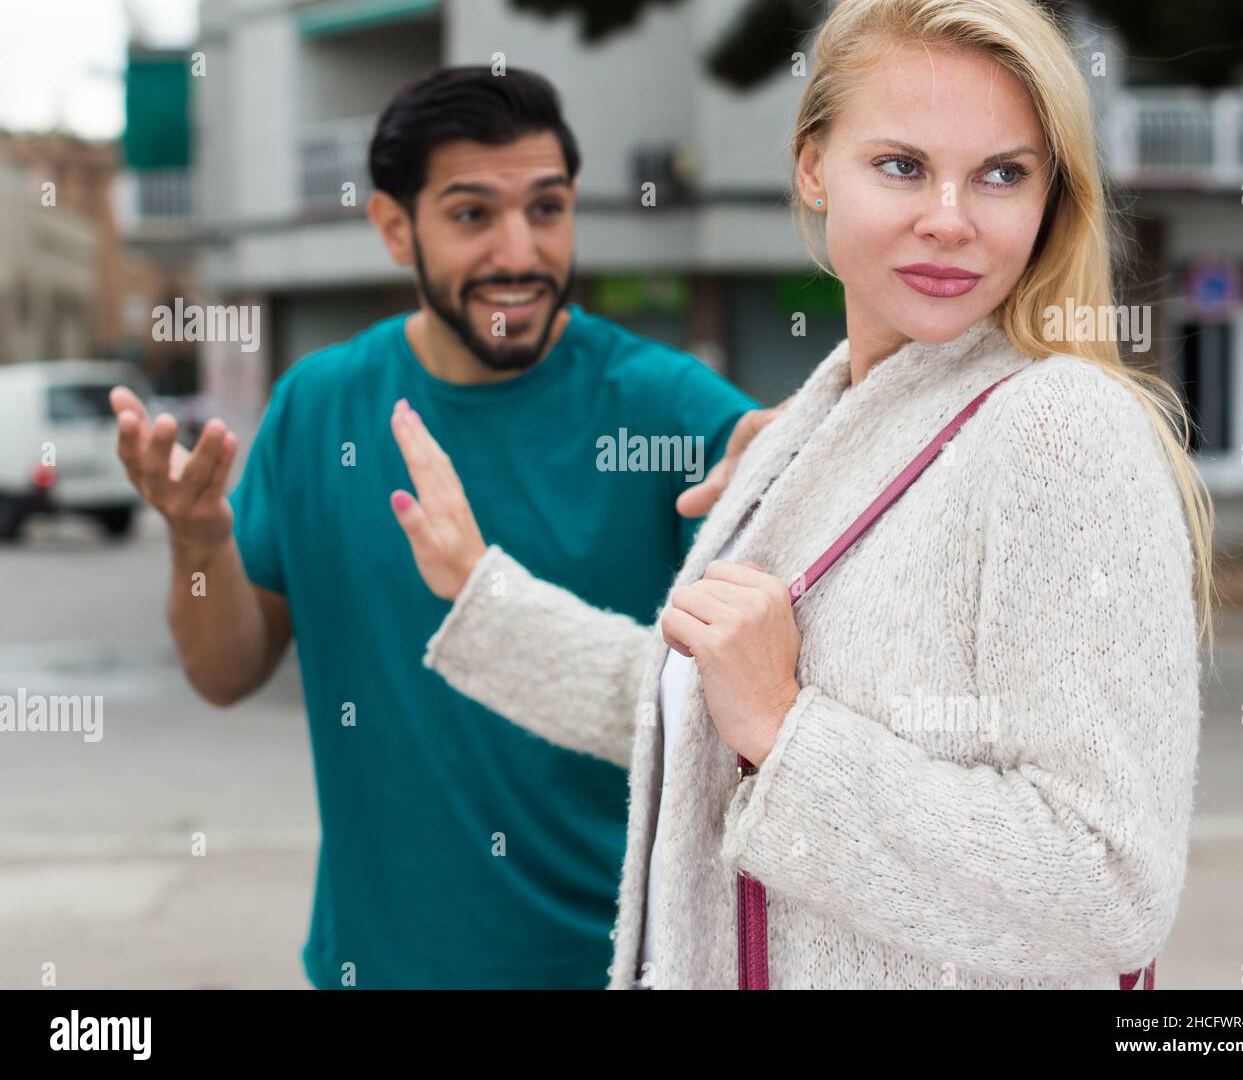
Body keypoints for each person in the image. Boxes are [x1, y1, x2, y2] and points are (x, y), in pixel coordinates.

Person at [393, 0, 1213, 989]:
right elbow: (698, 719)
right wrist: (485, 596)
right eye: (902, 166)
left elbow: (1105, 891)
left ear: (1050, 198)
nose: (950, 220)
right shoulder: (817, 420)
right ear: (812, 169)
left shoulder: (1060, 430)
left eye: (1002, 173)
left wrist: (786, 732)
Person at [109, 66, 778, 988]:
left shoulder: (664, 407)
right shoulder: (318, 406)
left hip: (620, 967)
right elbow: (227, 671)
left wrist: (799, 454)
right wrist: (197, 539)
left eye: (547, 209)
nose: (520, 250)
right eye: (473, 214)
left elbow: (766, 498)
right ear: (394, 228)